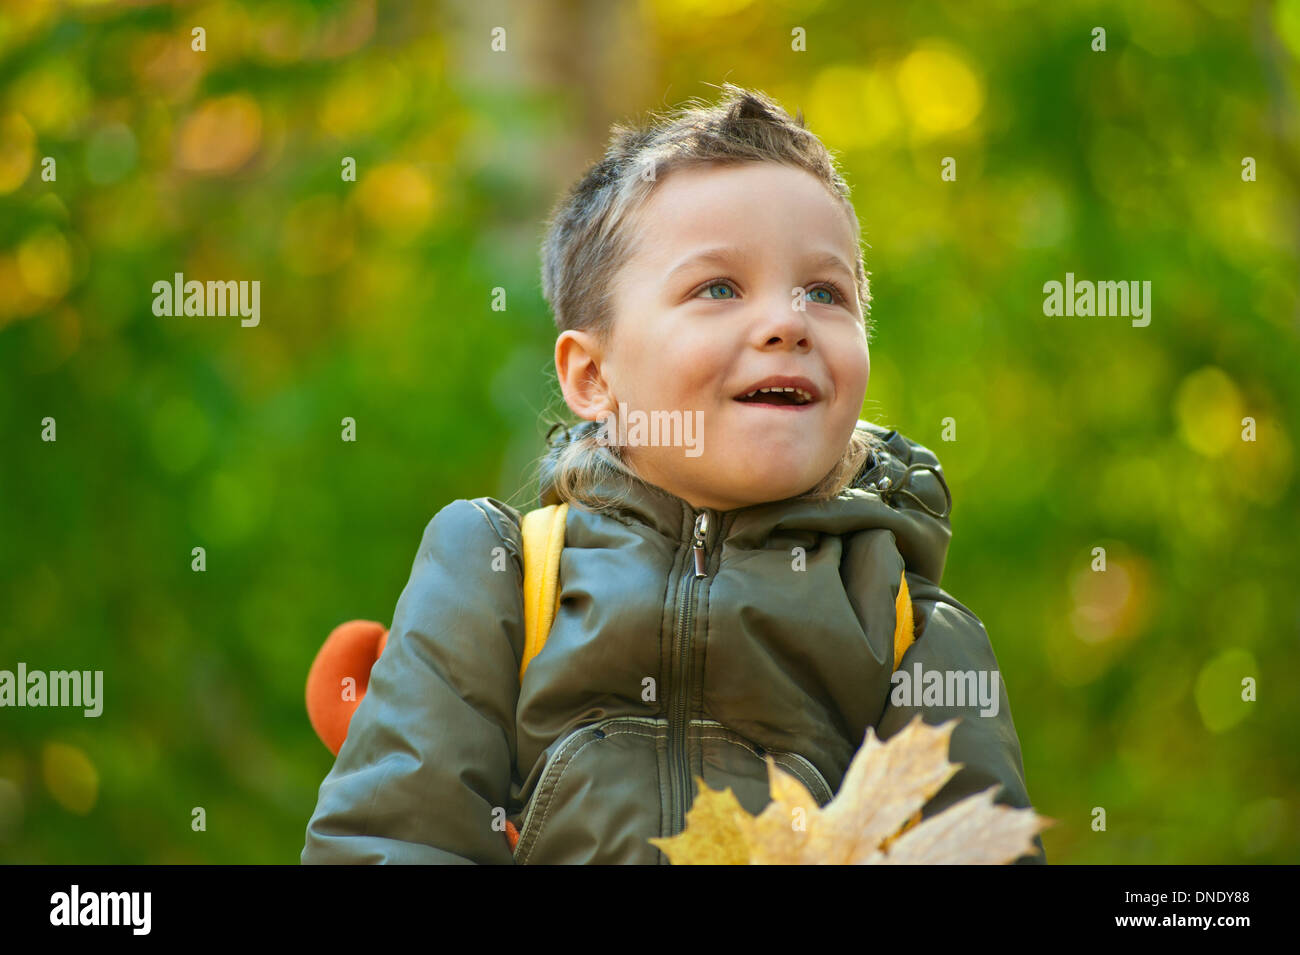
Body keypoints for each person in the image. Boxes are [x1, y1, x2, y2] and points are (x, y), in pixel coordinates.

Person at [302, 83, 1044, 864]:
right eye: (718, 287)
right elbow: (393, 839)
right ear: (592, 376)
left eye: (825, 292)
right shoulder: (501, 578)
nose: (788, 323)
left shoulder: (907, 629)